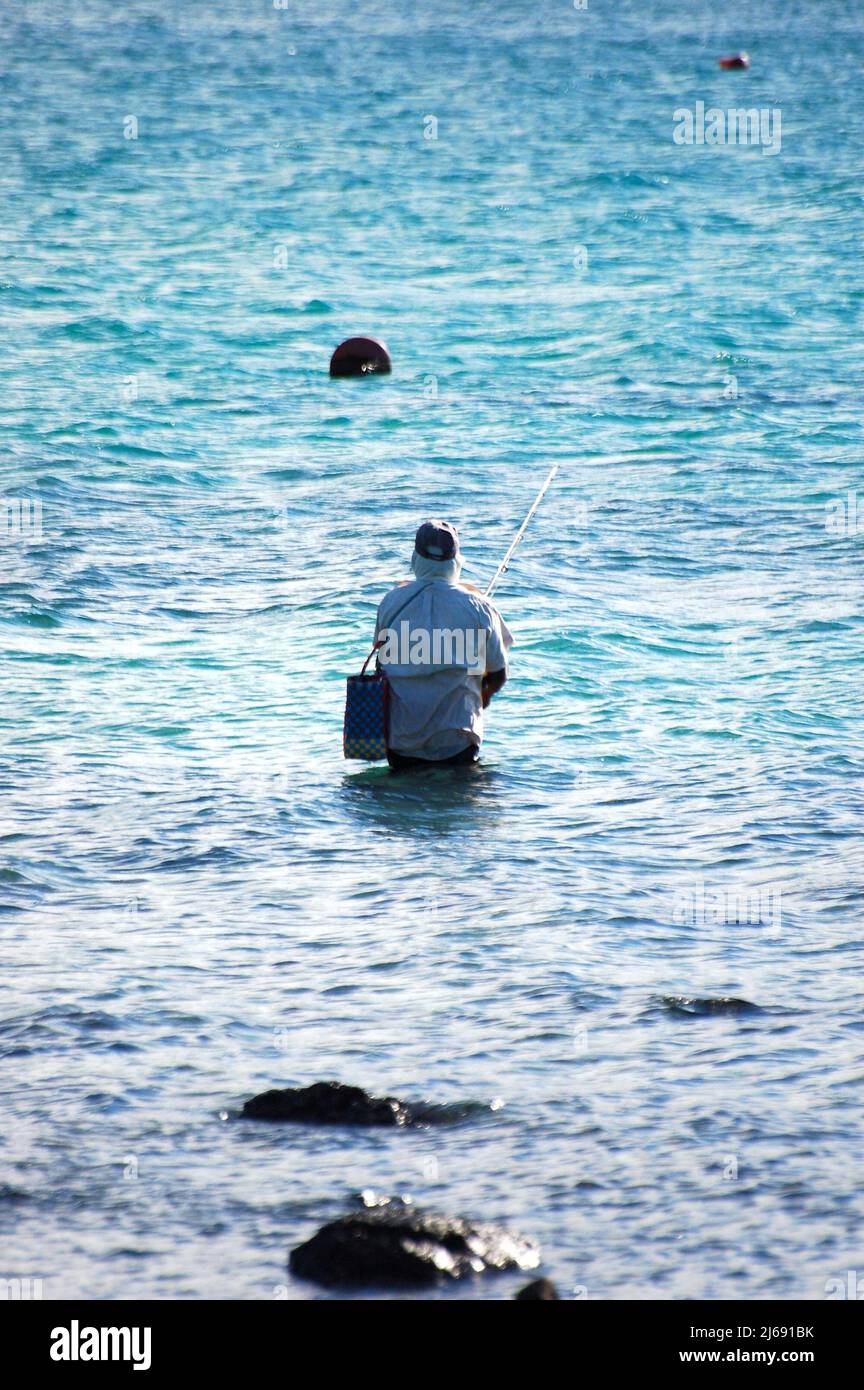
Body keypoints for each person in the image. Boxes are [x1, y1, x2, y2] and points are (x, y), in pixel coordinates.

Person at [375, 520, 512, 771]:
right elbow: (498, 675)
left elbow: (383, 661)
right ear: (456, 560)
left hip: (400, 742)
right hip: (458, 741)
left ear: (416, 558)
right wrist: (482, 697)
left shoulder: (390, 602)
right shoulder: (480, 606)